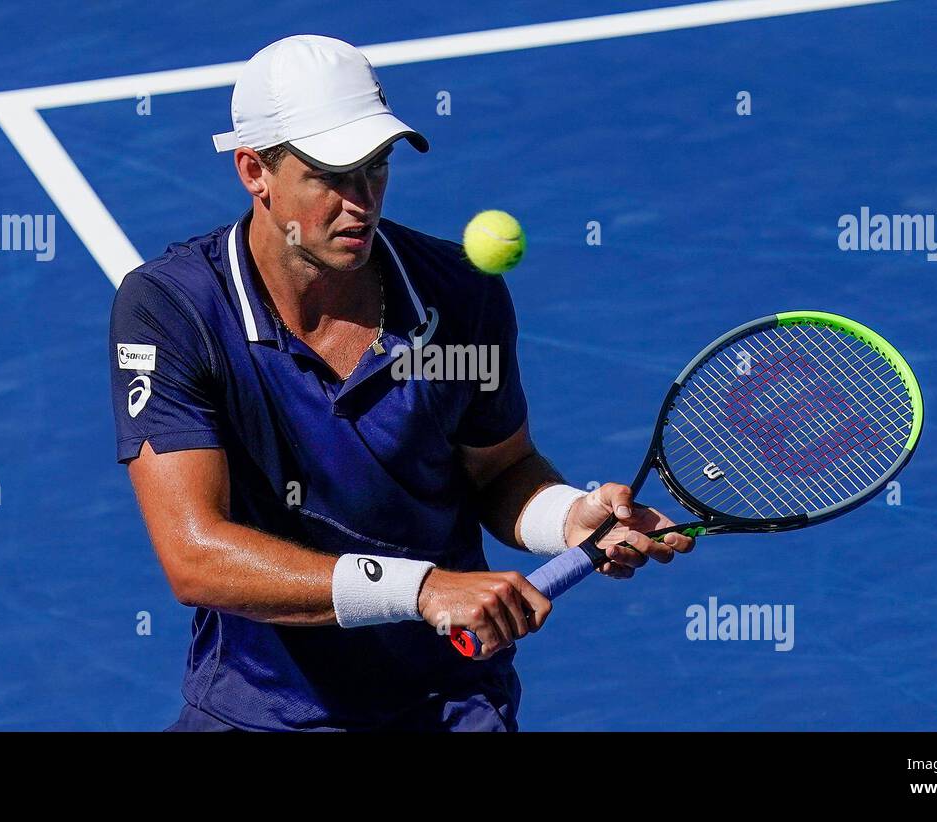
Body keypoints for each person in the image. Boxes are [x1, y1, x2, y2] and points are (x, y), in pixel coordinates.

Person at [109, 34, 694, 731]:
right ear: (253, 171)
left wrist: (568, 518)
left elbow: (502, 472)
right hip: (258, 709)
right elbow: (195, 556)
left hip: (445, 706)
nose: (360, 201)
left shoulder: (461, 294)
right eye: (332, 174)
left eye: (376, 168)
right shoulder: (172, 310)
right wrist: (422, 589)